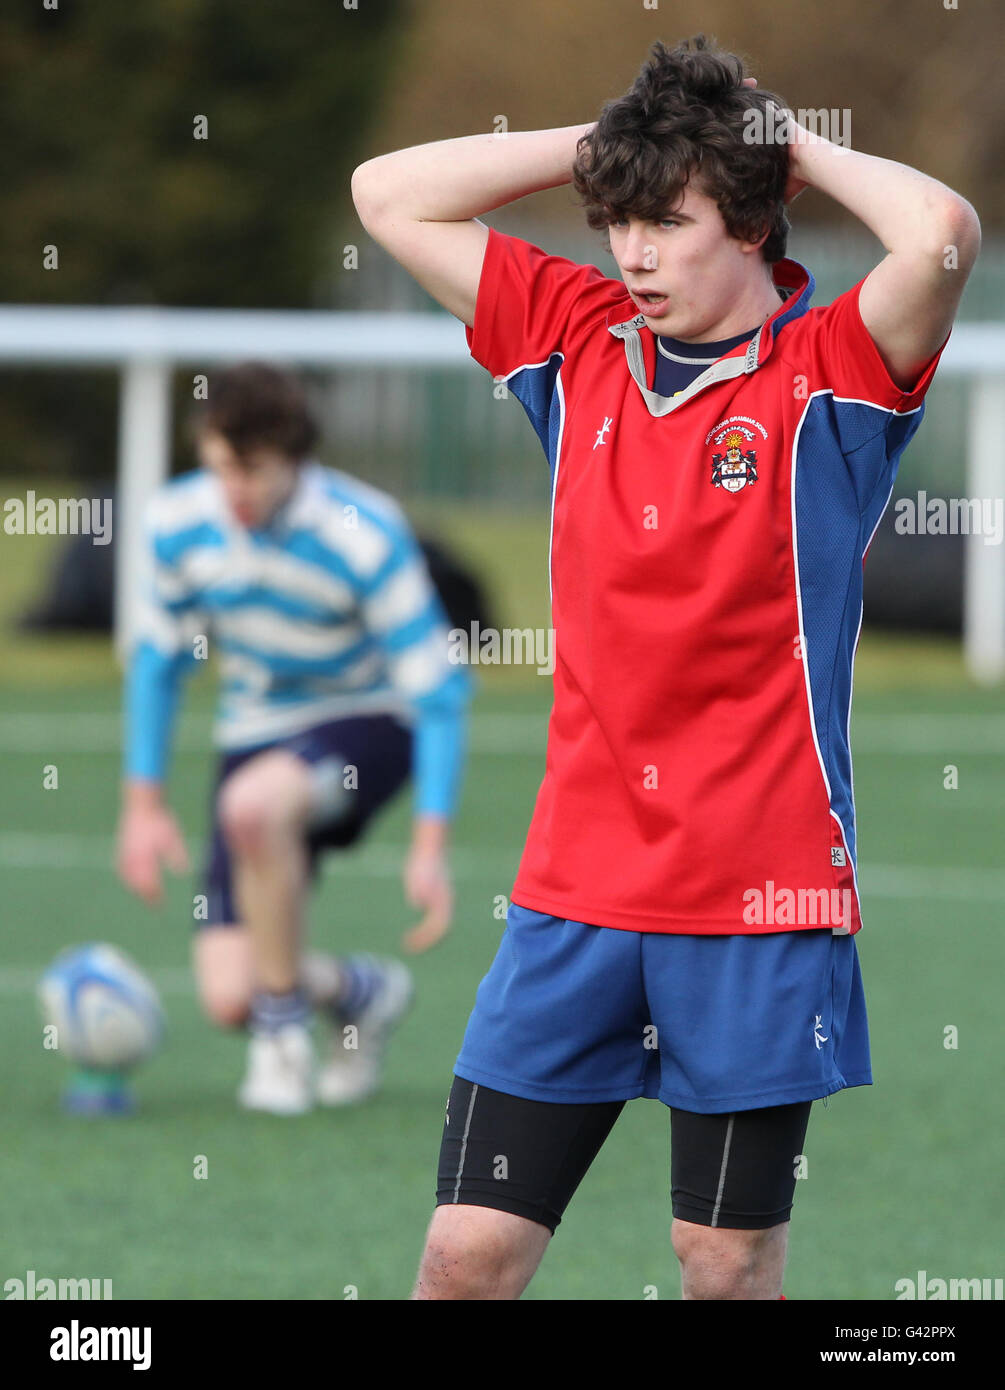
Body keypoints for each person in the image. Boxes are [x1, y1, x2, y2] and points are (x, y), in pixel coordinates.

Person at [351, 35, 980, 1298]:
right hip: (575, 889)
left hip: (761, 896)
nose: (632, 254)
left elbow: (944, 232)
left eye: (667, 220)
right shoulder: (572, 338)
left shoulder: (833, 374)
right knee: (466, 1255)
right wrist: (602, 146)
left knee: (724, 1262)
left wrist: (782, 146)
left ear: (748, 222)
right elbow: (387, 191)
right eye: (616, 220)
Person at [116, 362, 470, 1115]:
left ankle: (282, 1047)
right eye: (216, 468)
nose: (232, 489)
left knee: (252, 806)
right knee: (227, 996)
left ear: (296, 457)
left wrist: (431, 844)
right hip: (254, 734)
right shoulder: (177, 523)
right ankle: (358, 993)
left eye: (251, 470)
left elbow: (437, 692)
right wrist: (143, 804)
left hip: (369, 725)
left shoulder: (362, 530)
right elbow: (158, 664)